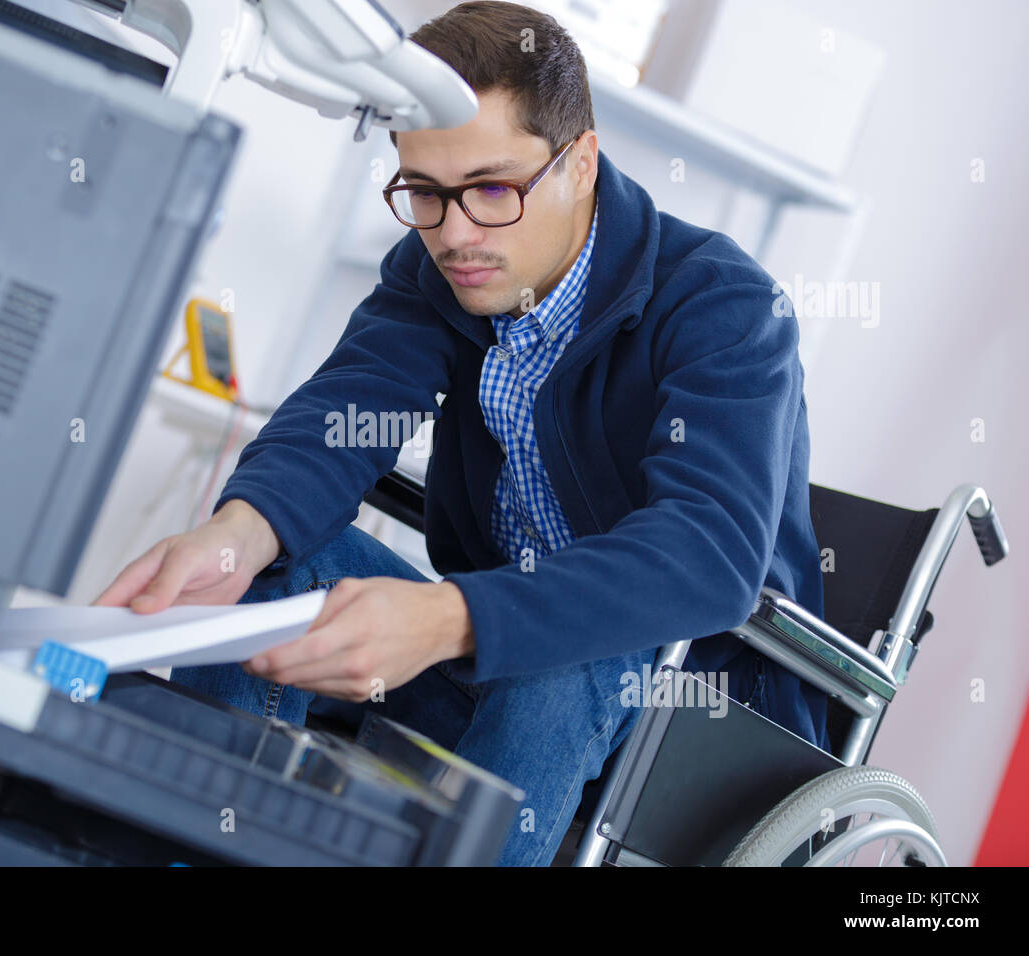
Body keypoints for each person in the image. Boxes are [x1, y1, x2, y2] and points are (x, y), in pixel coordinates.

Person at [94, 0, 829, 866]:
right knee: (279, 562)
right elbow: (347, 411)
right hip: (489, 668)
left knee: (563, 667)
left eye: (491, 190)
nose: (455, 235)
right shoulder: (442, 268)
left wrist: (451, 615)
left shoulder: (722, 305)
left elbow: (706, 554)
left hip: (683, 721)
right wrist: (236, 533)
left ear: (581, 162)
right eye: (425, 194)